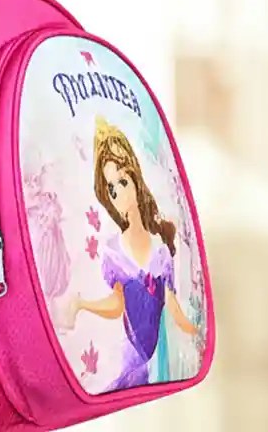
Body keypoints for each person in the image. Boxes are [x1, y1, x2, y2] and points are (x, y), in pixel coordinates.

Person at [58, 116, 198, 392]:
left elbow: (172, 305)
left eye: (122, 182)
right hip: (131, 358)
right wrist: (82, 304)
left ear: (135, 179)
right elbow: (118, 305)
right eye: (111, 189)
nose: (118, 193)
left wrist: (196, 332)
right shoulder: (113, 252)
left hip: (154, 360)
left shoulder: (159, 249)